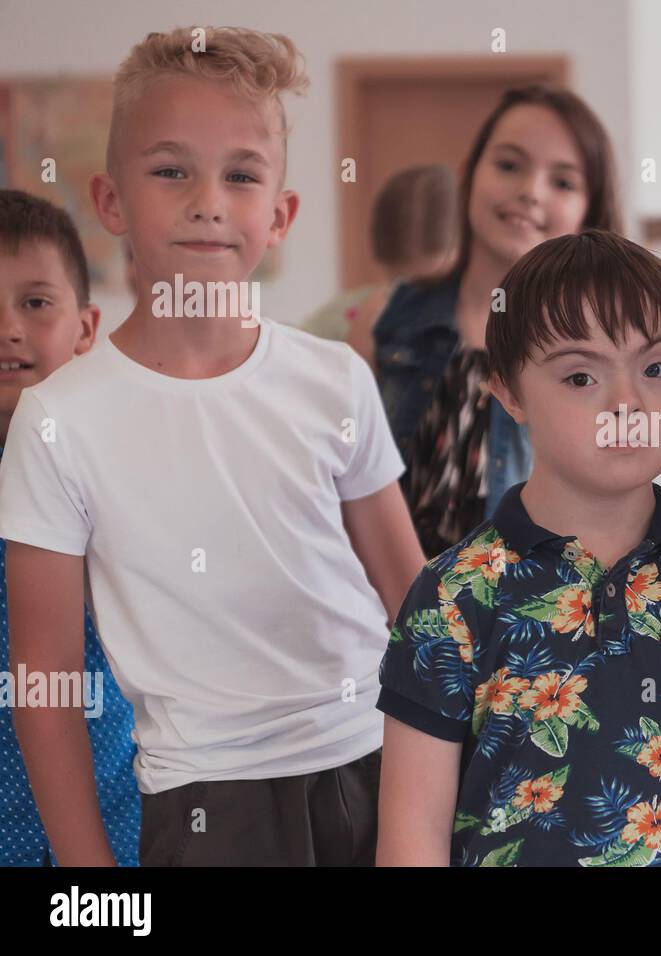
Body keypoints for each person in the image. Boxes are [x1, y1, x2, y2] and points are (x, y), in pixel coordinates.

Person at [0, 27, 425, 866]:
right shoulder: (57, 420)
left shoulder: (335, 379)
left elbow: (413, 596)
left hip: (383, 765)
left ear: (280, 214)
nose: (208, 200)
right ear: (111, 201)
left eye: (241, 174)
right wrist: (91, 878)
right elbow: (42, 683)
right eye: (171, 170)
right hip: (204, 805)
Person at [374, 230, 661, 866]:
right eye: (581, 376)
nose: (628, 404)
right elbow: (411, 838)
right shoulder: (453, 595)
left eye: (656, 369)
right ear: (508, 392)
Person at [372, 85, 622, 557]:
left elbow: (610, 518)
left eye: (563, 182)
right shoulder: (389, 317)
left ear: (589, 207)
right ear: (469, 175)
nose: (530, 192)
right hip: (391, 618)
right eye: (509, 166)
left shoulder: (609, 350)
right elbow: (350, 491)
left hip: (528, 619)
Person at [0, 189, 139, 866]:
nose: (9, 329)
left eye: (35, 302)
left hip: (114, 809)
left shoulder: (117, 469)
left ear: (86, 327)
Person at [300, 163, 457, 369]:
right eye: (401, 284)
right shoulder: (338, 322)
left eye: (435, 284)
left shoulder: (491, 325)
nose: (417, 301)